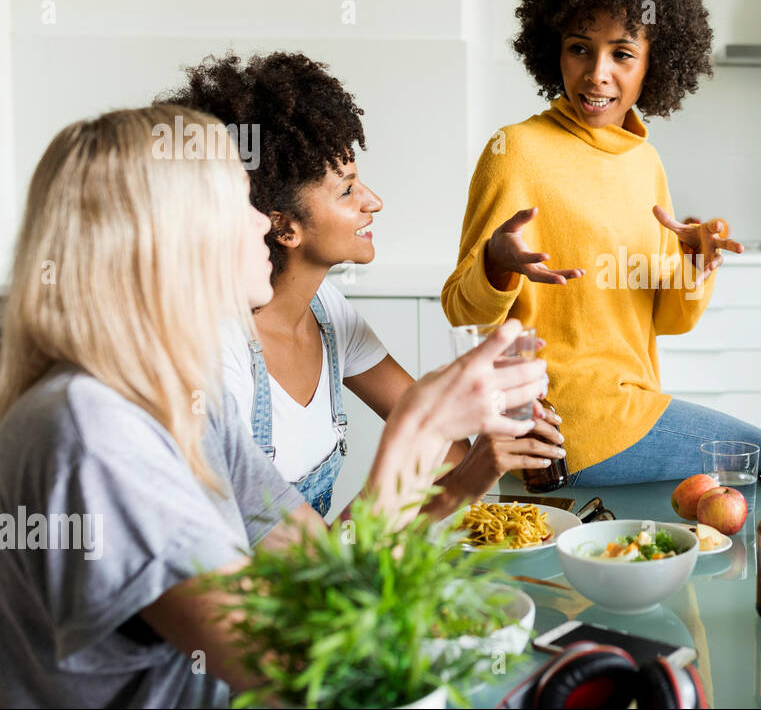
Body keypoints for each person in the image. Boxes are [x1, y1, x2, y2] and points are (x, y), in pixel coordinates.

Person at [0, 107, 547, 707]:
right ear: (174, 239)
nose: (263, 221)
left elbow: (326, 574)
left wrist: (462, 470)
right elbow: (294, 663)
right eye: (240, 201)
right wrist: (418, 431)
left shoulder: (179, 401)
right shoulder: (94, 431)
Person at [441, 0, 761, 485]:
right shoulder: (517, 150)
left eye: (622, 54)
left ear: (653, 66)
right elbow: (461, 309)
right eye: (579, 48)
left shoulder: (645, 161)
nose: (597, 73)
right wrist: (495, 266)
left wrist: (694, 266)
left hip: (632, 407)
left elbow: (669, 320)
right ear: (555, 50)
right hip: (563, 424)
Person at [157, 53, 564, 519]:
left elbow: (450, 455)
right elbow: (315, 570)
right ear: (282, 227)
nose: (374, 202)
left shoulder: (326, 310)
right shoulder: (218, 355)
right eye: (347, 190)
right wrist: (432, 439)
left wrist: (482, 451)